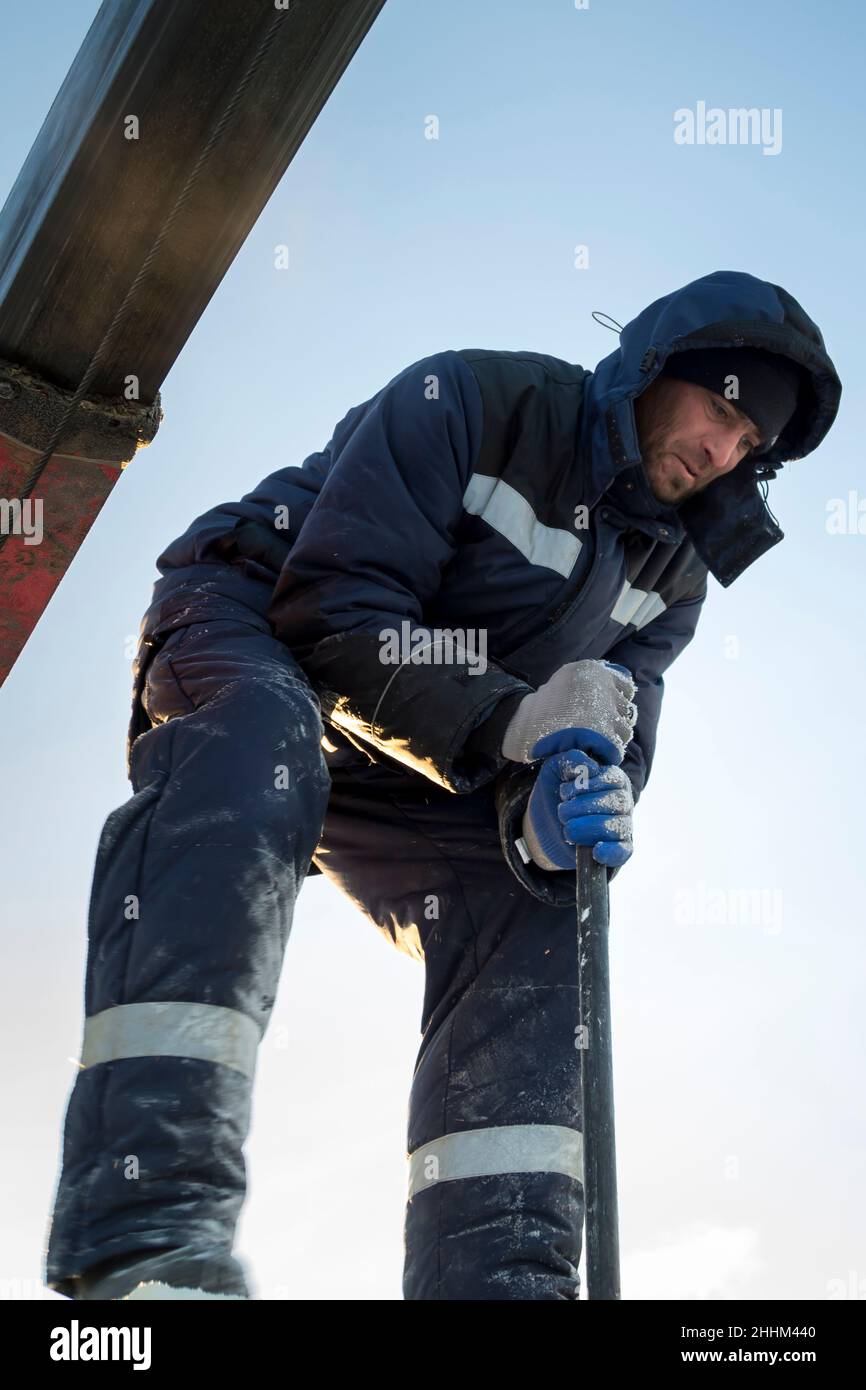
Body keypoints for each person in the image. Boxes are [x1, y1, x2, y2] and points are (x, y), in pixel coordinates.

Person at [45, 269, 841, 1301]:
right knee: (257, 748)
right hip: (256, 622)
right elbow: (332, 607)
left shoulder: (673, 574)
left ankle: (497, 1282)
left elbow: (616, 724)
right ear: (655, 368)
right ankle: (149, 1239)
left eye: (749, 445)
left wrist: (562, 813)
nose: (722, 452)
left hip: (428, 749)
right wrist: (511, 720)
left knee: (536, 900)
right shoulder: (471, 402)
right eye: (719, 411)